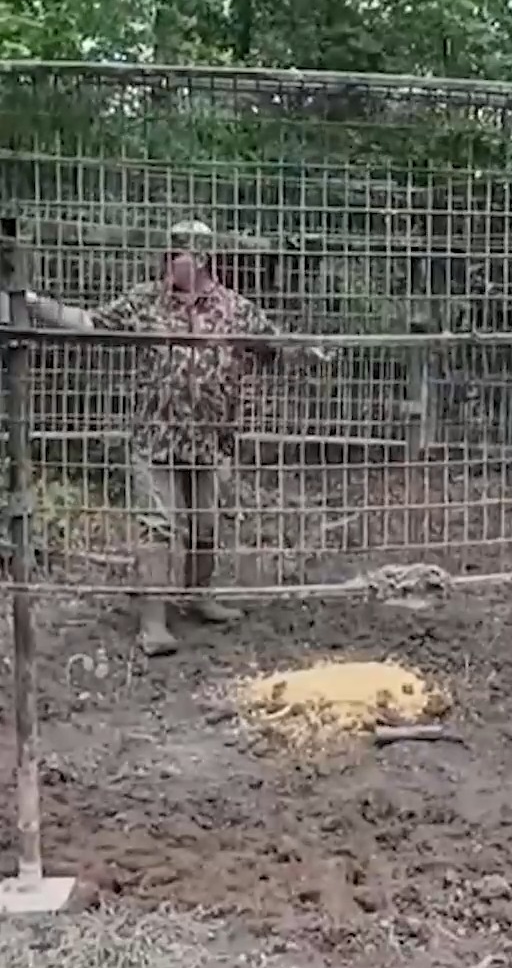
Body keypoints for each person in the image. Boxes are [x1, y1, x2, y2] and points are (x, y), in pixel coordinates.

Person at [27, 218, 327, 657]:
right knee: (158, 527)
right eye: (165, 254)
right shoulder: (144, 301)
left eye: (176, 255)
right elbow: (88, 322)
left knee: (206, 524)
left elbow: (274, 345)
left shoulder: (234, 308)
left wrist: (309, 351)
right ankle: (153, 624)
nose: (167, 262)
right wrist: (34, 303)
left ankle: (200, 596)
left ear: (202, 259)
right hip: (157, 437)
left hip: (209, 438)